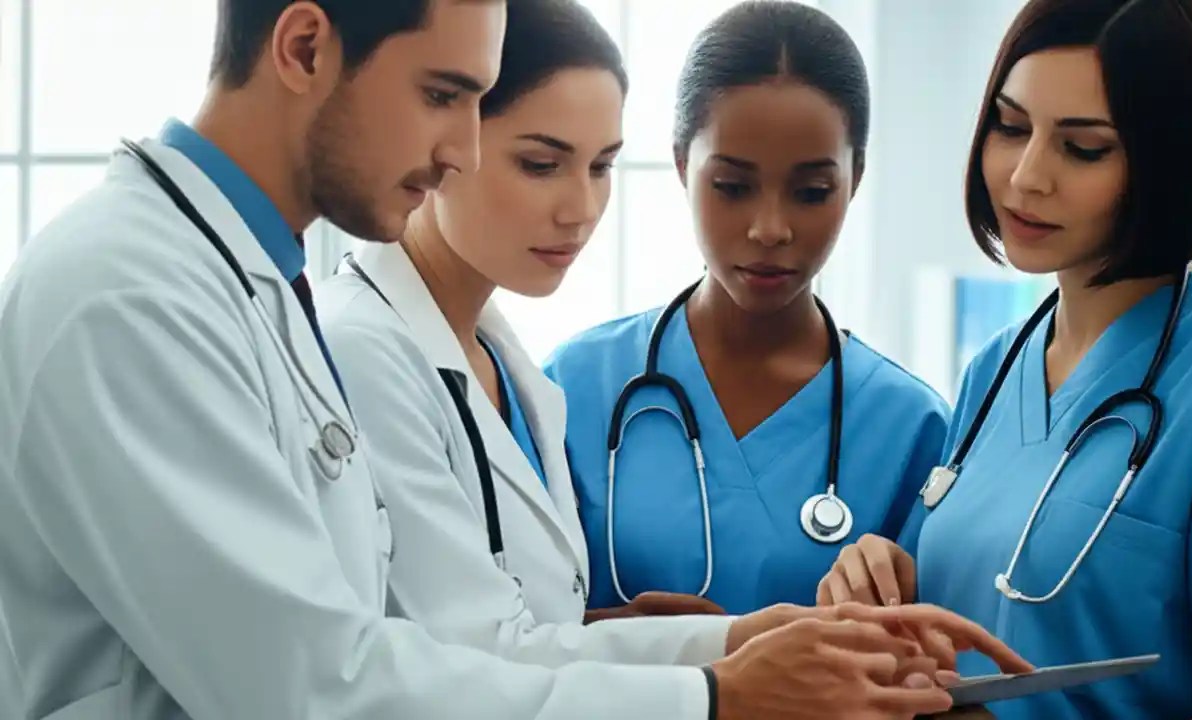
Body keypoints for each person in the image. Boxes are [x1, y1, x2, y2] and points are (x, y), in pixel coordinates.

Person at [0, 0, 1026, 718]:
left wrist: (731, 644)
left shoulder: (264, 294)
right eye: (446, 94)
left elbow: (475, 654)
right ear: (305, 47)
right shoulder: (130, 294)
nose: (459, 149)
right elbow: (316, 687)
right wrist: (715, 693)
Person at [314, 0, 1029, 713]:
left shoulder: (510, 372)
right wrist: (722, 672)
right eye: (541, 163)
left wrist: (739, 643)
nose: (580, 209)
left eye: (602, 166)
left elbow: (521, 640)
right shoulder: (511, 369)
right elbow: (475, 658)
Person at [816, 0, 1192, 718]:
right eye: (1010, 126)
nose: (1026, 176)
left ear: (1169, 159)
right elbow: (944, 627)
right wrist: (876, 580)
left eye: (1083, 147)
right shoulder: (995, 370)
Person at [543, 0, 951, 616]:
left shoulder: (913, 426)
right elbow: (506, 638)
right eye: (732, 187)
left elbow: (923, 667)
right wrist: (639, 646)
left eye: (812, 192)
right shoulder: (571, 387)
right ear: (683, 166)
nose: (769, 229)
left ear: (855, 179)